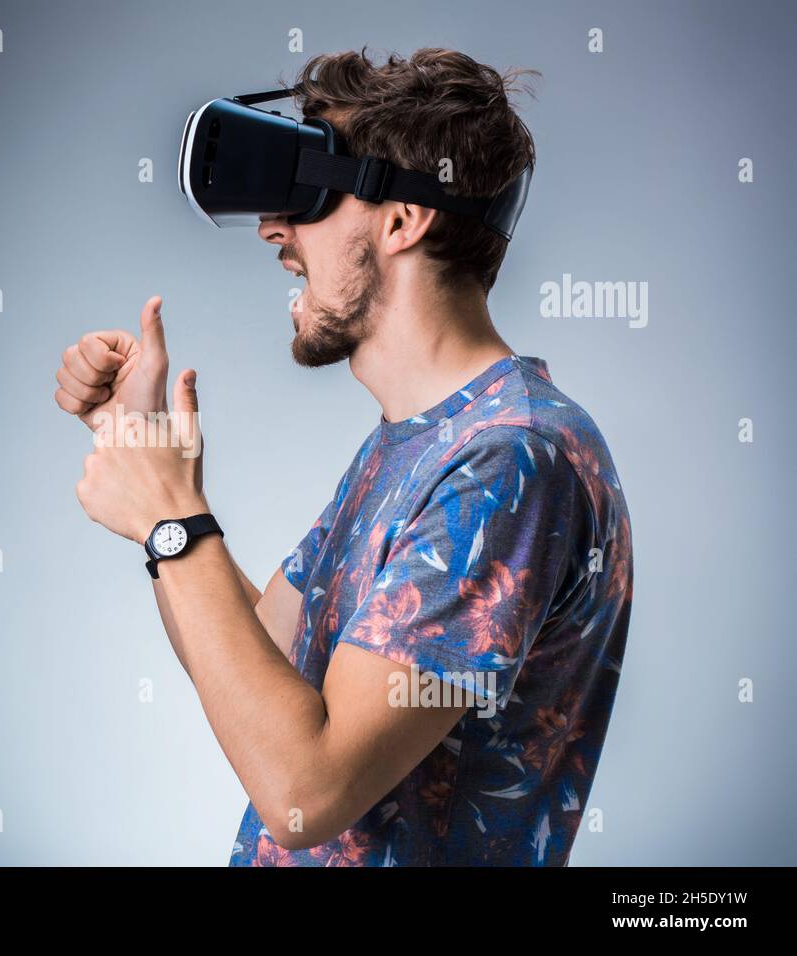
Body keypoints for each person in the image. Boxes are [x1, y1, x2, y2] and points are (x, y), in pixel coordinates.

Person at [53, 47, 632, 866]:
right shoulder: (418, 439)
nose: (273, 230)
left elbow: (304, 792)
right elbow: (260, 656)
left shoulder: (510, 462)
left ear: (402, 220)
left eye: (309, 193)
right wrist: (154, 482)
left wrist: (172, 519)